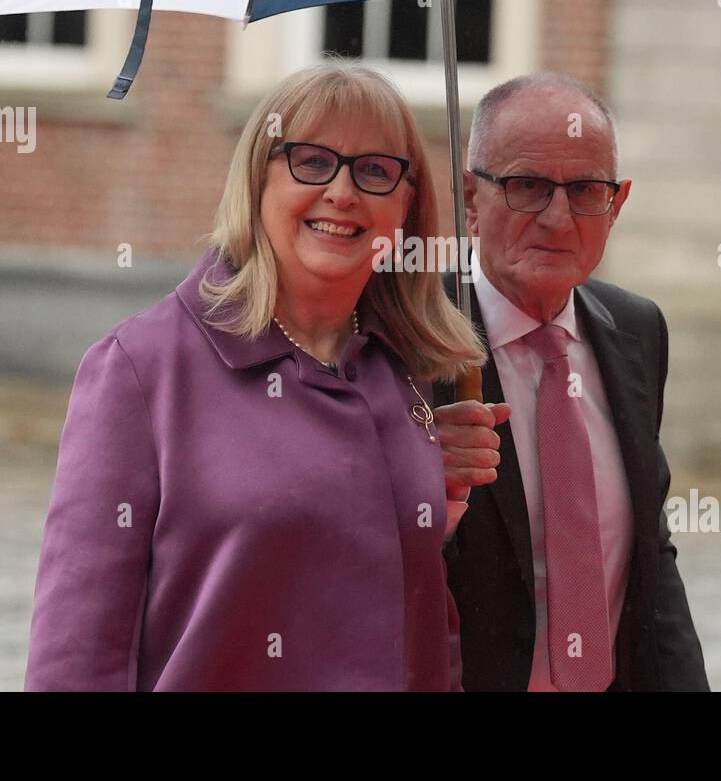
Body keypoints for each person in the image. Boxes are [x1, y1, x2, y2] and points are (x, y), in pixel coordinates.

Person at [25, 60, 488, 691]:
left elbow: (429, 629)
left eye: (376, 170)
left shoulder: (411, 375)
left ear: (407, 205)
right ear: (257, 180)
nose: (343, 193)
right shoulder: (142, 369)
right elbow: (76, 655)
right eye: (312, 161)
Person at [432, 71, 709, 692]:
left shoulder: (637, 331)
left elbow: (649, 559)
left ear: (618, 203)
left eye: (586, 190)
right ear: (471, 199)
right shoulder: (408, 338)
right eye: (529, 186)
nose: (559, 218)